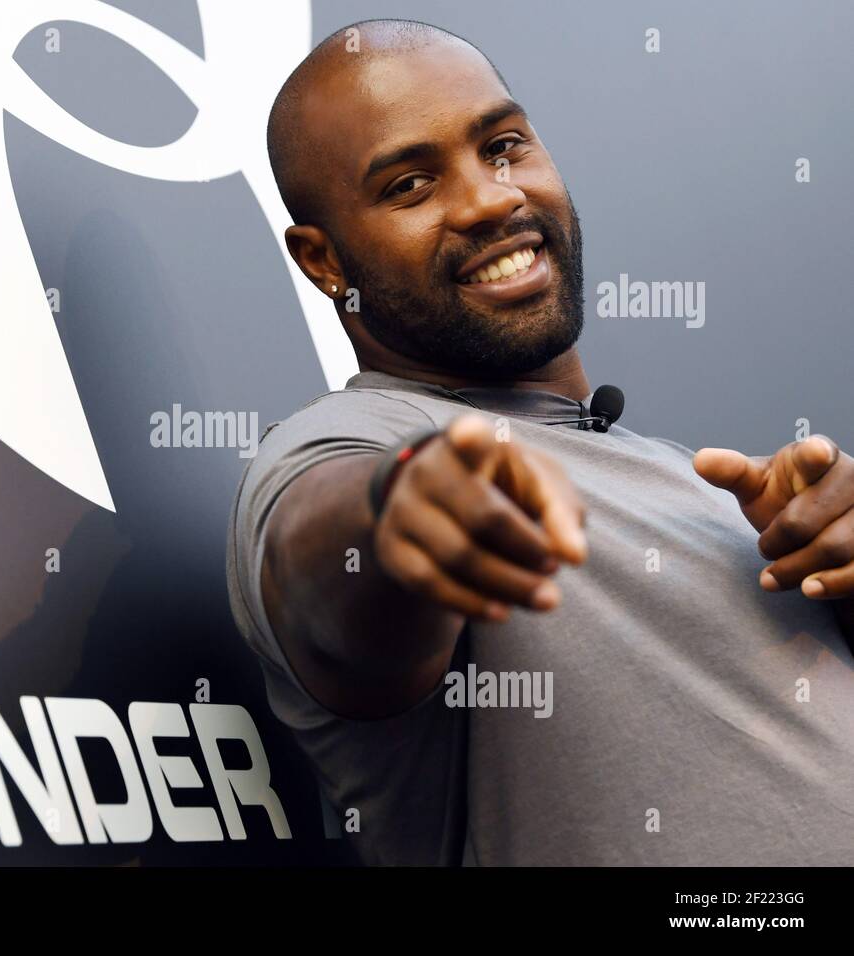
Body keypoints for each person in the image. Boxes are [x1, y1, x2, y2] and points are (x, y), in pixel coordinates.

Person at [226, 18, 854, 865]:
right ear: (323, 261)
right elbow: (323, 562)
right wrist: (398, 517)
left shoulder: (709, 490)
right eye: (411, 185)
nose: (491, 197)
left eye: (504, 145)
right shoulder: (354, 444)